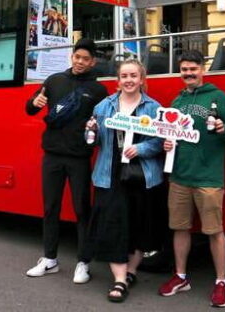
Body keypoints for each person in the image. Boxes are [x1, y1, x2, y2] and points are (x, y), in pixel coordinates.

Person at [159, 50, 225, 308]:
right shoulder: (177, 101)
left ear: (202, 69)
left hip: (208, 177)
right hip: (180, 176)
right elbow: (170, 132)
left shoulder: (217, 97)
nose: (188, 74)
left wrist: (222, 128)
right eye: (184, 70)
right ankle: (181, 277)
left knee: (214, 231)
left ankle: (221, 282)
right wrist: (167, 144)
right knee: (179, 228)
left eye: (193, 69)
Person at [24, 37, 108, 283]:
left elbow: (103, 124)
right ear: (71, 57)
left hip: (79, 158)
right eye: (77, 57)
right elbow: (29, 108)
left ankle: (83, 263)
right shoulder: (54, 81)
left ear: (92, 62)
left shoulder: (98, 90)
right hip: (51, 156)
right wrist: (34, 102)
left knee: (82, 209)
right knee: (50, 208)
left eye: (85, 59)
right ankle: (49, 259)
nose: (80, 62)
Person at [84, 59, 165, 303]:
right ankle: (119, 281)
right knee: (113, 226)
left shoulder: (153, 107)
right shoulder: (103, 106)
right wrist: (90, 130)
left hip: (142, 175)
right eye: (124, 76)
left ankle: (130, 272)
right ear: (117, 80)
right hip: (110, 174)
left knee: (139, 227)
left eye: (133, 76)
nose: (128, 80)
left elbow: (161, 141)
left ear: (142, 79)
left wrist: (141, 148)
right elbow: (93, 141)